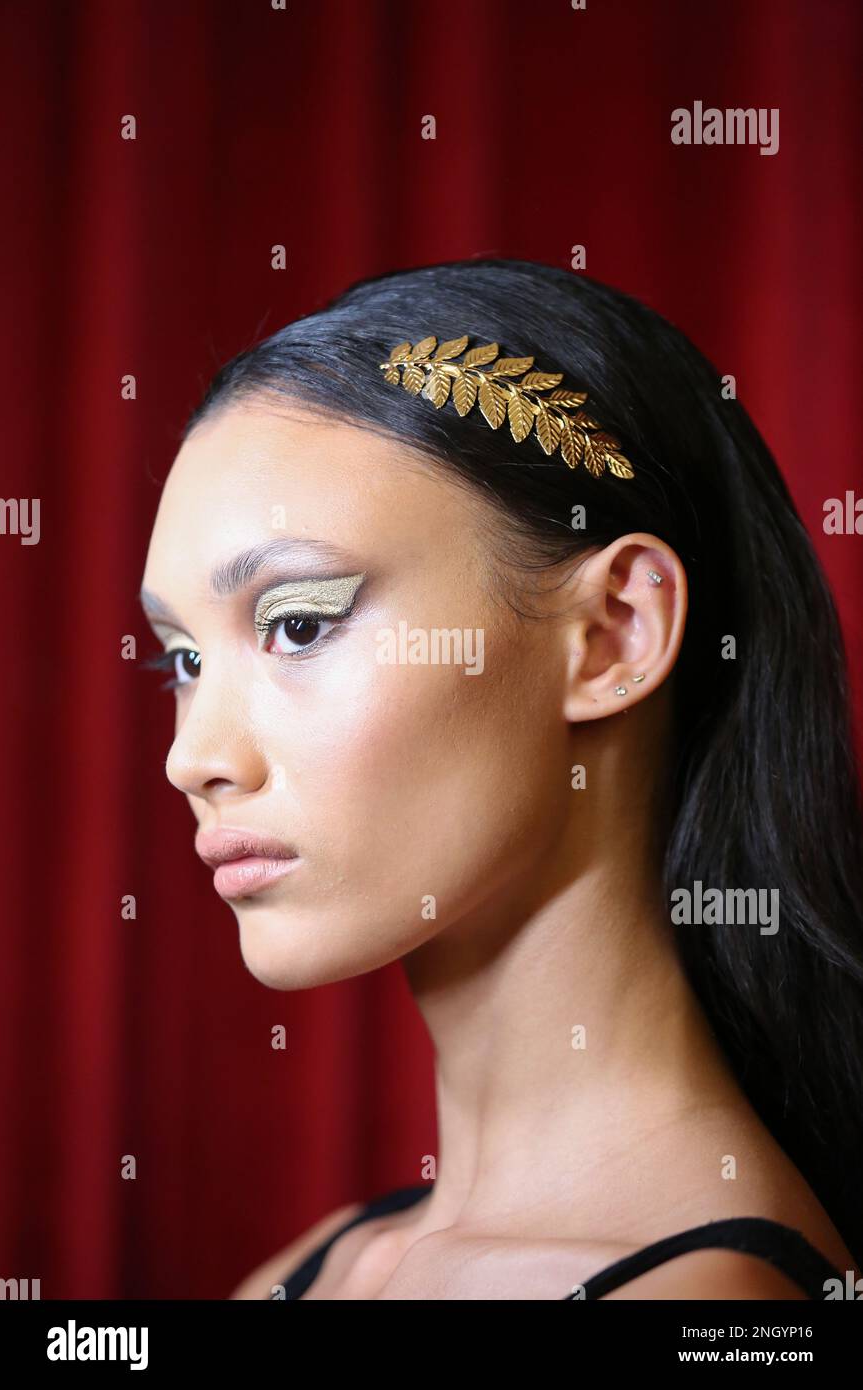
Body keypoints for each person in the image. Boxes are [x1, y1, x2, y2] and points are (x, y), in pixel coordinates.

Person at [140, 258, 863, 1299]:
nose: (193, 756)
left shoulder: (709, 1303)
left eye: (297, 623)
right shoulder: (310, 1272)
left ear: (614, 633)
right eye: (183, 659)